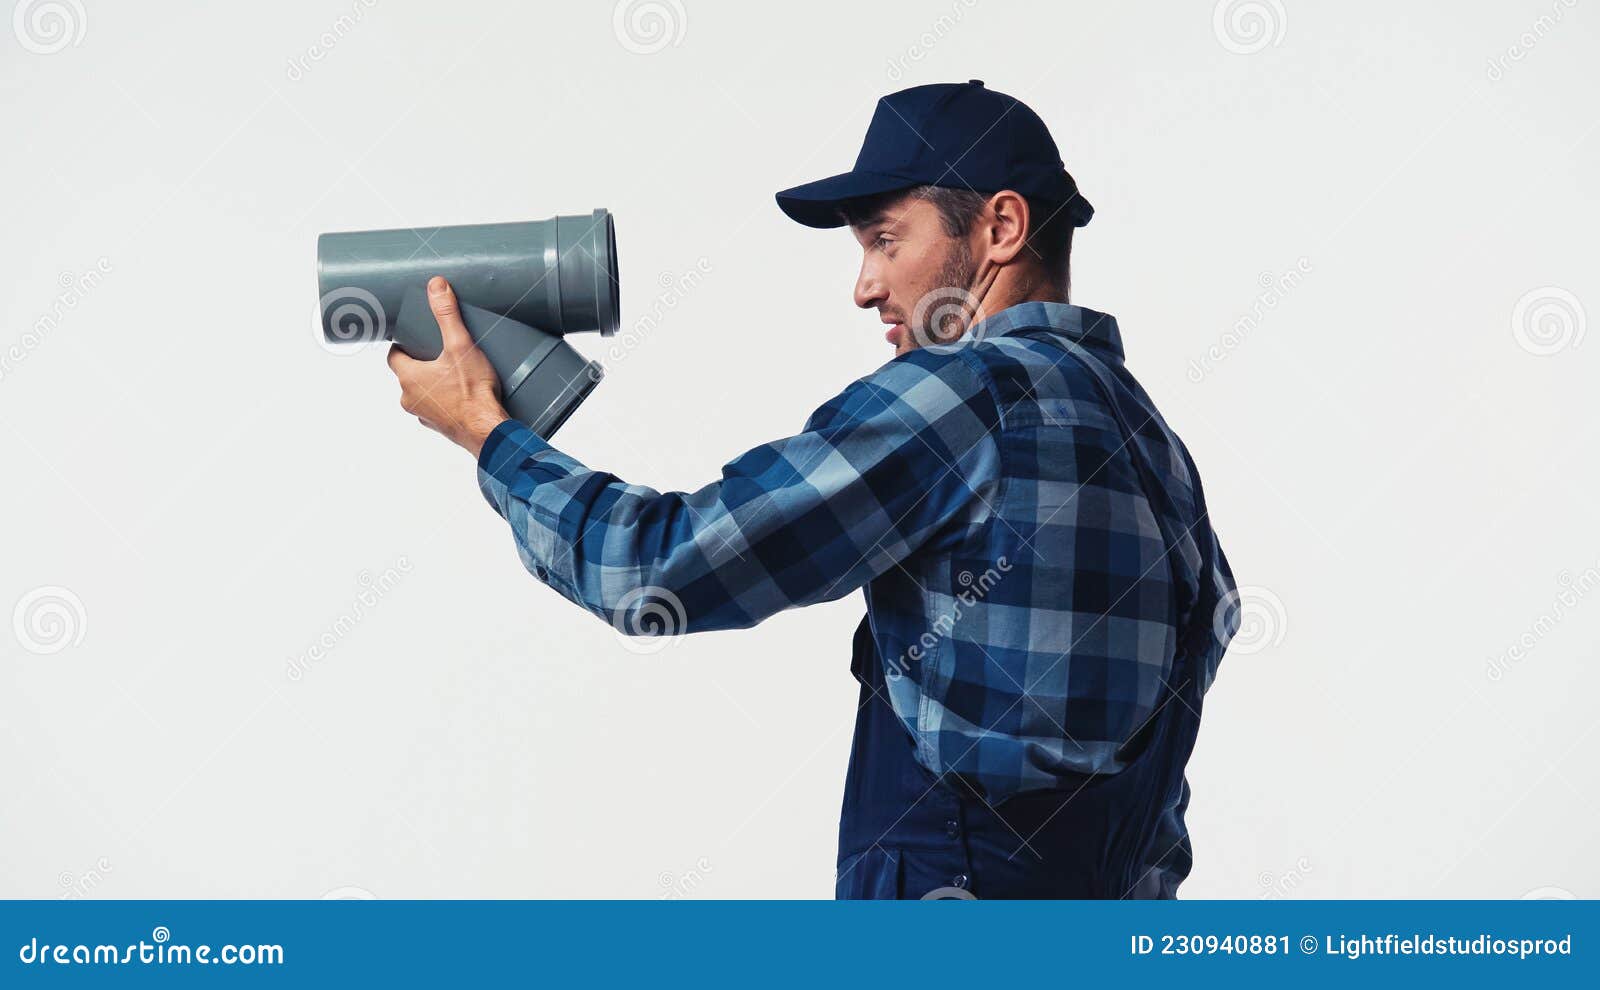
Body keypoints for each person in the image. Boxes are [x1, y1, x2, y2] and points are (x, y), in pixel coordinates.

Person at [386, 80, 1239, 899]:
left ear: (1001, 228)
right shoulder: (1156, 448)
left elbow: (655, 569)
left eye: (885, 241)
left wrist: (491, 438)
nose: (865, 286)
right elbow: (1156, 834)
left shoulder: (961, 397)